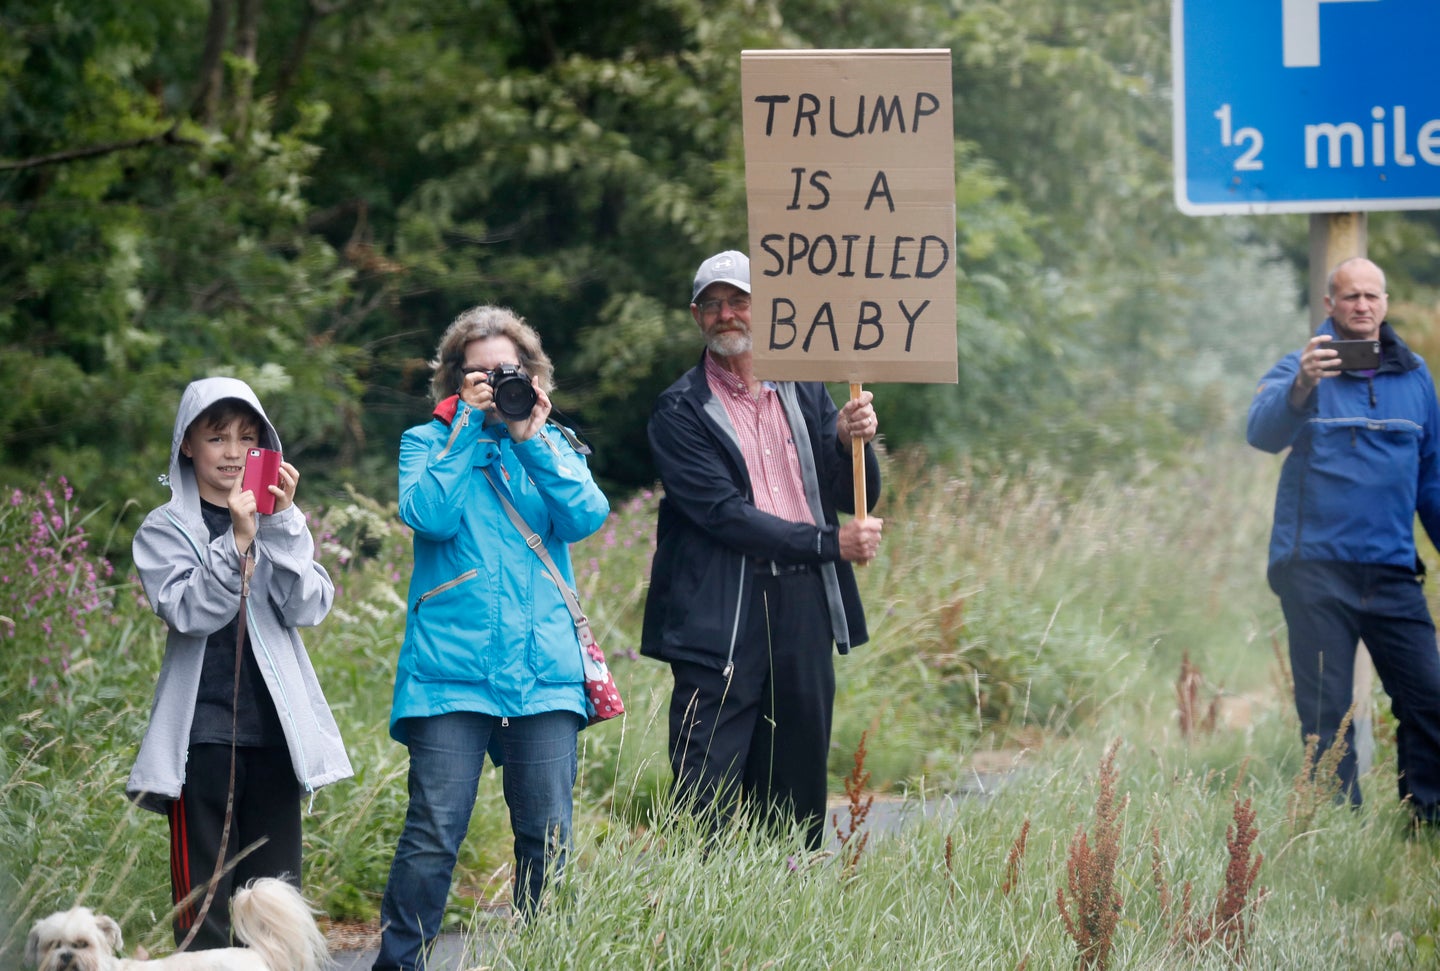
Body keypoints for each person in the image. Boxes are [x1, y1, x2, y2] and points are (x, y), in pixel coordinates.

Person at [373, 306, 609, 970]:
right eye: (479, 373)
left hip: (543, 672)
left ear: (532, 375)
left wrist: (532, 439)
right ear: (455, 379)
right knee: (433, 834)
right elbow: (429, 516)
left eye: (507, 371)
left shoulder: (552, 442)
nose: (494, 382)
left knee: (548, 837)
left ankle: (545, 960)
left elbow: (586, 515)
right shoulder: (426, 442)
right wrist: (466, 431)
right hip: (450, 672)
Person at [641, 250, 884, 851]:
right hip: (719, 613)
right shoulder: (680, 409)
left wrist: (850, 441)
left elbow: (852, 492)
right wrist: (829, 543)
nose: (726, 315)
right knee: (706, 786)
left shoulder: (804, 386)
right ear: (696, 316)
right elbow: (723, 515)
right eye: (712, 305)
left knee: (796, 779)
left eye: (739, 301)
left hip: (804, 601)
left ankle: (787, 895)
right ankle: (703, 898)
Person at [127, 376, 353, 949]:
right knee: (203, 910)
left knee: (276, 909)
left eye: (247, 438)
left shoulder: (276, 518)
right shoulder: (164, 528)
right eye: (217, 438)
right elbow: (189, 611)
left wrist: (283, 524)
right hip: (200, 740)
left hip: (275, 737)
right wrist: (235, 541)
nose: (232, 452)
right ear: (187, 445)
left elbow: (309, 606)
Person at [1248, 256, 1440, 823]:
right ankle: (1336, 827)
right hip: (1315, 570)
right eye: (1350, 296)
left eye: (1372, 296)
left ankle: (1427, 820)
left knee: (1428, 698)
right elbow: (1261, 433)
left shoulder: (1416, 377)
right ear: (1330, 305)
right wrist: (1303, 385)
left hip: (1391, 571)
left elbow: (1431, 480)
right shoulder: (1300, 367)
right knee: (1326, 712)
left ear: (1385, 304)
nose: (1362, 305)